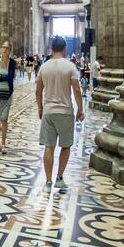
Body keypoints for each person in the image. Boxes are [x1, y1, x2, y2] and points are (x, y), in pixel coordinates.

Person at [36, 35, 85, 193]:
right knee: (65, 146)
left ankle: (48, 182)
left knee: (48, 147)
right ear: (64, 48)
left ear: (52, 48)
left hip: (49, 112)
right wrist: (80, 108)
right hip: (65, 112)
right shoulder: (70, 66)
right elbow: (76, 90)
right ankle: (59, 178)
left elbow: (38, 91)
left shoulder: (44, 67)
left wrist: (40, 108)